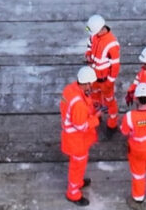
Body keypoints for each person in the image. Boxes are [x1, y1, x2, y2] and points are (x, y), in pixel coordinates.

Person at [59, 65, 100, 205]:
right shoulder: (79, 105)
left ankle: (78, 183)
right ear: (87, 83)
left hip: (72, 137)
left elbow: (75, 106)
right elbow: (81, 125)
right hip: (77, 140)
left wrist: (92, 105)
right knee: (77, 167)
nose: (92, 86)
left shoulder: (70, 90)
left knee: (78, 165)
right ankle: (73, 193)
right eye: (91, 84)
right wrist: (96, 117)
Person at [84, 14, 123, 132]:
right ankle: (97, 117)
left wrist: (110, 81)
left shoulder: (111, 44)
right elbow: (89, 45)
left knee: (110, 101)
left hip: (105, 79)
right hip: (94, 77)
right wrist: (88, 55)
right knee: (94, 97)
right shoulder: (94, 35)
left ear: (101, 29)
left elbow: (115, 65)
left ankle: (112, 124)